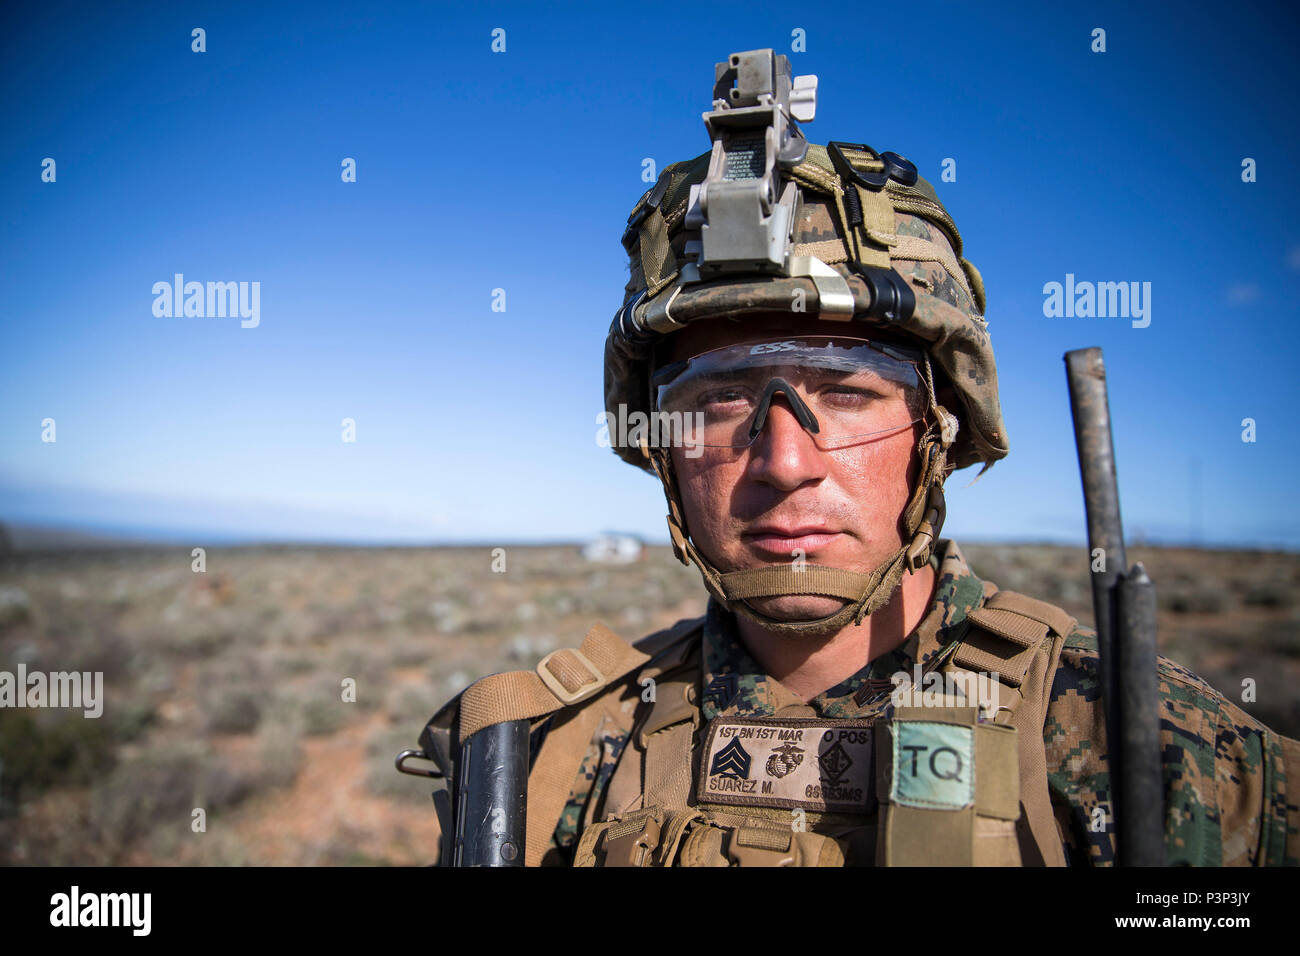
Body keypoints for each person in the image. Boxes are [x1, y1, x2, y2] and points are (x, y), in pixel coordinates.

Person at [412, 49, 1300, 867]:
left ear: (939, 430)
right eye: (721, 400)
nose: (786, 460)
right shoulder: (549, 756)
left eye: (848, 392)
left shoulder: (1162, 755)